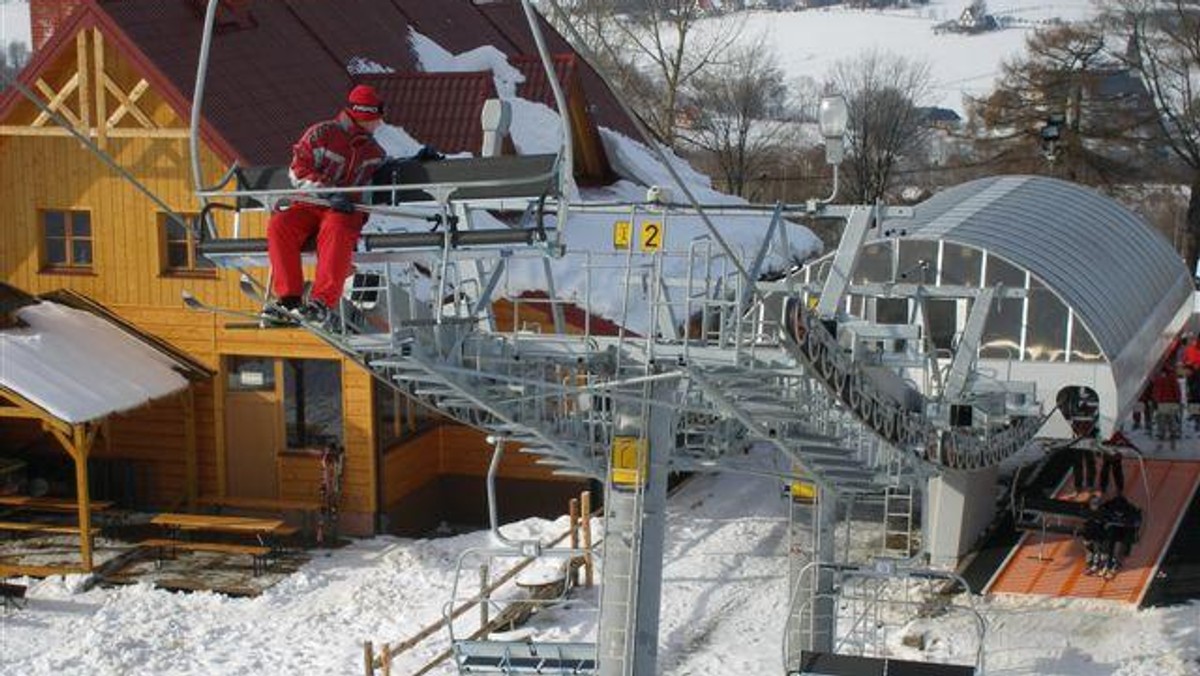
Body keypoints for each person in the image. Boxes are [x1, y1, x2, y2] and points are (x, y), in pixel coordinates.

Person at [266, 84, 387, 330]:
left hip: (344, 213)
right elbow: (298, 170)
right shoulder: (321, 135)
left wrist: (418, 160)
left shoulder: (374, 151)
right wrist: (328, 192)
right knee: (280, 224)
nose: (379, 125)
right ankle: (289, 297)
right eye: (375, 119)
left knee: (336, 225)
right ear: (363, 115)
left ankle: (322, 301)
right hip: (311, 203)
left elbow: (379, 178)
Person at [1151, 364, 1182, 449]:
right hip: (1171, 401)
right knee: (1171, 419)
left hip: (1162, 402)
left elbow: (1156, 390)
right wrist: (1178, 399)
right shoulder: (1172, 377)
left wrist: (1155, 400)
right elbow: (1176, 389)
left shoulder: (1158, 378)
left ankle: (1162, 434)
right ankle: (1173, 434)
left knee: (1162, 420)